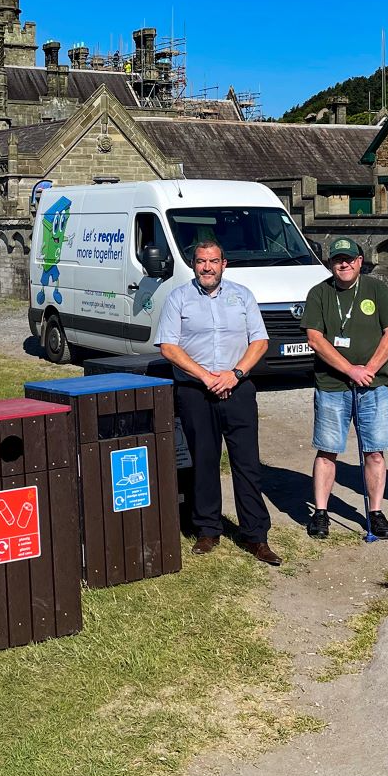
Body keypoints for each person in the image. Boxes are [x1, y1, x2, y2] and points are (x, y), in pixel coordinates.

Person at [157, 240, 280, 566]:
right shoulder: (178, 298)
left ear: (224, 264)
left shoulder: (243, 296)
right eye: (201, 261)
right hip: (195, 391)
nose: (207, 267)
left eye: (213, 261)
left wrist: (234, 374)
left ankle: (255, 535)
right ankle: (208, 529)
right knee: (204, 461)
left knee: (247, 464)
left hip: (238, 388)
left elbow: (260, 341)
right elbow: (168, 346)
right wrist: (206, 377)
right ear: (194, 264)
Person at [301, 238, 388, 541]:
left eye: (349, 259)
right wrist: (349, 370)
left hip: (373, 384)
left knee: (375, 452)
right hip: (332, 385)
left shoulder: (376, 289)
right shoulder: (319, 293)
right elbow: (315, 339)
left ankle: (376, 512)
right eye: (337, 259)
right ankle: (321, 512)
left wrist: (368, 369)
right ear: (331, 263)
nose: (343, 264)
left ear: (359, 261)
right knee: (327, 450)